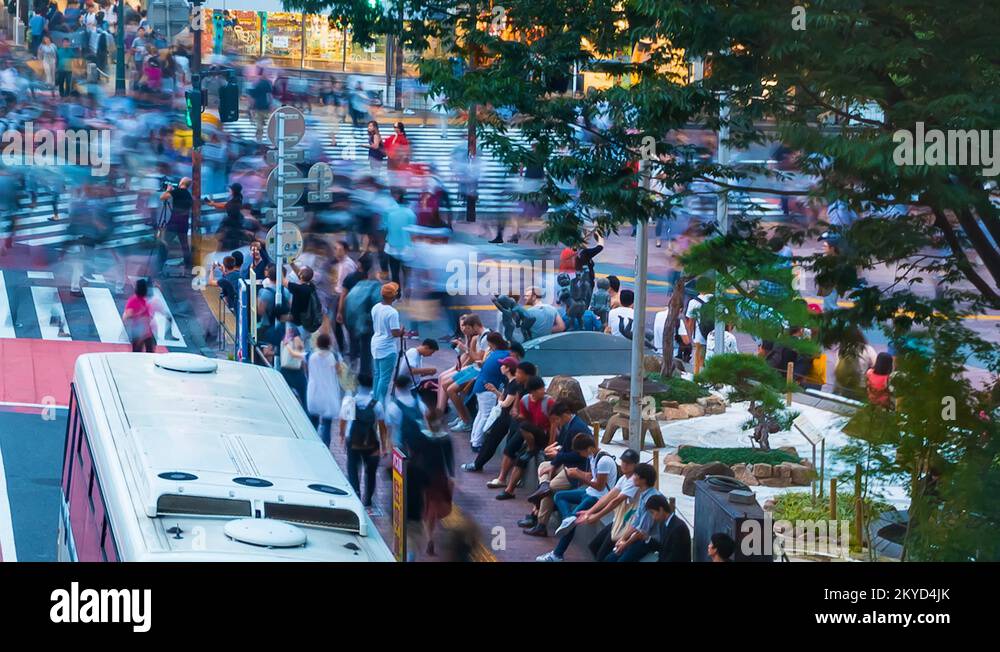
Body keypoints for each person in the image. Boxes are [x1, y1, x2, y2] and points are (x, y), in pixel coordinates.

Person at [535, 434, 618, 561]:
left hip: (597, 498)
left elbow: (600, 486)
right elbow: (592, 476)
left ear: (589, 449)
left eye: (581, 452)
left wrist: (578, 475)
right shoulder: (593, 457)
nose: (581, 455)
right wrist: (578, 473)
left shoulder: (604, 461)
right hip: (589, 492)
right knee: (559, 496)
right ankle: (568, 518)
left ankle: (557, 554)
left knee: (572, 525)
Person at [522, 399, 595, 536]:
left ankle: (540, 522)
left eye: (557, 420)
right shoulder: (568, 425)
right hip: (565, 464)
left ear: (565, 415)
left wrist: (557, 455)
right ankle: (543, 486)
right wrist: (555, 456)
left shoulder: (577, 428)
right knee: (544, 466)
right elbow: (563, 447)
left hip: (575, 470)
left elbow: (579, 455)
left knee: (551, 488)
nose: (556, 423)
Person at [461, 358, 531, 473]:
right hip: (504, 416)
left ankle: (506, 472)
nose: (501, 367)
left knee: (508, 445)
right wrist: (494, 391)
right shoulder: (508, 381)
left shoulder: (514, 384)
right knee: (491, 439)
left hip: (511, 418)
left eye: (503, 365)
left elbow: (505, 403)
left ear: (508, 368)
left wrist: (500, 401)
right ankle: (478, 464)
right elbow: (503, 398)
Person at [492, 376, 556, 500]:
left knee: (525, 426)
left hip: (546, 436)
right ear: (532, 391)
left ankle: (532, 449)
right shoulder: (525, 400)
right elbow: (525, 419)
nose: (543, 391)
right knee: (521, 459)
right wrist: (516, 413)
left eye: (543, 388)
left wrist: (550, 443)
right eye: (540, 389)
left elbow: (554, 425)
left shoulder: (549, 402)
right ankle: (509, 490)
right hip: (532, 436)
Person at [580, 449, 642, 561]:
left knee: (602, 554)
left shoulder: (634, 481)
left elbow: (616, 501)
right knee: (594, 546)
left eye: (628, 463)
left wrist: (596, 516)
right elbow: (609, 496)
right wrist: (589, 512)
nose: (624, 465)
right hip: (619, 519)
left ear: (635, 465)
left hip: (629, 523)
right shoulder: (623, 478)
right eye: (623, 461)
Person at [339, 372, 389, 509]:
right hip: (371, 443)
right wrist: (384, 446)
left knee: (353, 469)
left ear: (358, 385)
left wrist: (342, 436)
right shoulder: (376, 405)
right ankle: (367, 499)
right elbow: (382, 427)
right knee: (371, 472)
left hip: (353, 442)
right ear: (371, 386)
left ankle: (355, 494)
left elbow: (343, 421)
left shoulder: (350, 401)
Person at [602, 462, 660, 562]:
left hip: (648, 540)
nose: (633, 477)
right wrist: (622, 539)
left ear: (644, 480)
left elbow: (642, 531)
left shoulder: (652, 499)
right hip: (638, 536)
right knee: (609, 558)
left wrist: (626, 543)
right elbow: (635, 523)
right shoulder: (643, 494)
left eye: (636, 475)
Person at [467, 332, 511, 451]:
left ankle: (474, 440)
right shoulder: (505, 354)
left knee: (481, 414)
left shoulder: (494, 353)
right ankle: (477, 443)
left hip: (480, 386)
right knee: (485, 415)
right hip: (488, 388)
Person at [307, 332, 343, 446]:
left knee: (313, 422)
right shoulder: (333, 356)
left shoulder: (311, 356)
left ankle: (311, 444)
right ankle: (325, 447)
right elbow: (339, 372)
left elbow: (308, 371)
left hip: (314, 392)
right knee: (327, 423)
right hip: (328, 393)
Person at [370, 282, 402, 404]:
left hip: (376, 344)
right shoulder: (392, 312)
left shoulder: (376, 307)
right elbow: (395, 333)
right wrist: (402, 332)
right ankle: (380, 403)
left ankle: (375, 399)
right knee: (384, 378)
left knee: (377, 374)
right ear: (393, 296)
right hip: (387, 347)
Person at [122, 278, 171, 352]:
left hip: (140, 331)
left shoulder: (134, 301)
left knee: (138, 354)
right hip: (147, 332)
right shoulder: (152, 301)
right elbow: (166, 315)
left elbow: (126, 316)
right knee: (149, 353)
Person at [159, 177, 195, 274]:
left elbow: (162, 197)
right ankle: (188, 267)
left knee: (164, 242)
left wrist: (168, 190)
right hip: (184, 224)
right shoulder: (188, 195)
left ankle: (159, 265)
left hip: (174, 223)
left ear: (182, 182)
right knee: (185, 246)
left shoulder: (178, 191)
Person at [646, 494, 692, 562]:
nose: (653, 517)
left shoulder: (678, 528)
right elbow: (663, 549)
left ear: (661, 510)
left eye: (652, 513)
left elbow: (674, 557)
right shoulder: (663, 524)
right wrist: (647, 538)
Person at [249, 69, 273, 141]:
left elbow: (252, 96)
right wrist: (270, 104)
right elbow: (269, 95)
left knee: (259, 123)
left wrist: (251, 107)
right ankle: (259, 137)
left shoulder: (255, 83)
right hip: (265, 105)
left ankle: (258, 137)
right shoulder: (267, 83)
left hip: (257, 106)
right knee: (261, 123)